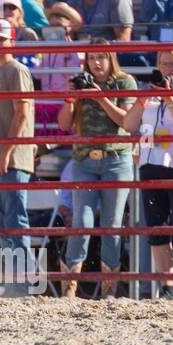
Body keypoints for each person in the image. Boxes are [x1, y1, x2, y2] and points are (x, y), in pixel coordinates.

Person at [57, 47, 136, 298]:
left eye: (101, 57)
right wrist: (71, 98)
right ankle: (69, 292)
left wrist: (101, 97)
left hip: (115, 159)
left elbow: (127, 121)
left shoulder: (124, 81)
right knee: (82, 223)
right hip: (84, 160)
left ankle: (108, 293)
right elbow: (64, 124)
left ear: (110, 59)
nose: (96, 62)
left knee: (111, 225)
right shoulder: (81, 84)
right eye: (91, 58)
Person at [123, 50, 173, 298]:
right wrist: (144, 99)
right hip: (149, 164)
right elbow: (129, 125)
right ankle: (166, 287)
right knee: (158, 229)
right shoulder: (150, 93)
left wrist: (170, 100)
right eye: (163, 64)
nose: (168, 69)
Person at [0, 20, 37, 296]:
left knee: (14, 224)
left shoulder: (16, 70)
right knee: (4, 227)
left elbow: (22, 113)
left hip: (9, 159)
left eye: (0, 39)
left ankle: (24, 286)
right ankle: (17, 285)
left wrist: (5, 153)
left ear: (11, 42)